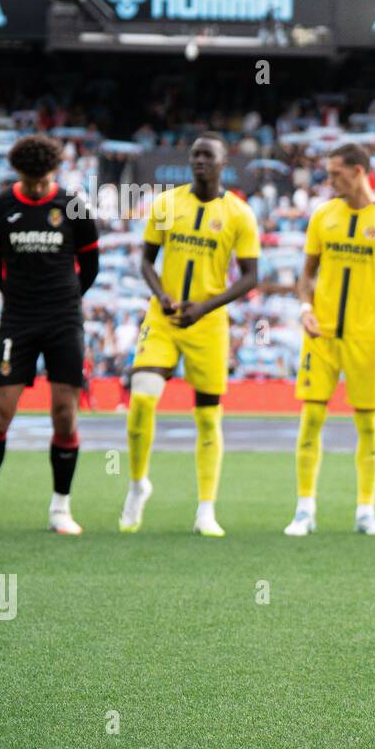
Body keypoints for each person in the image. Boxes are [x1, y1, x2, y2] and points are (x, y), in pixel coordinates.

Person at [0, 134, 100, 535]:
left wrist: (65, 301)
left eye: (43, 180)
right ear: (18, 174)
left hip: (64, 322)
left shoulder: (73, 206)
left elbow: (90, 267)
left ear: (54, 172)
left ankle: (60, 509)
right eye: (30, 180)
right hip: (17, 321)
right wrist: (19, 298)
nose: (37, 187)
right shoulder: (0, 207)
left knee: (65, 416)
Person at [119, 133, 260, 537]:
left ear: (223, 162)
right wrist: (161, 294)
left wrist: (205, 307)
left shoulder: (239, 214)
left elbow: (251, 276)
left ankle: (205, 510)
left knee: (207, 417)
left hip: (209, 324)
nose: (199, 161)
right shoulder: (166, 204)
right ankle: (137, 485)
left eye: (207, 156)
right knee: (143, 396)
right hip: (163, 318)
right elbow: (146, 260)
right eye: (195, 155)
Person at [283, 143, 375, 537]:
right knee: (310, 419)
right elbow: (306, 274)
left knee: (370, 425)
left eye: (336, 173)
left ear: (359, 171)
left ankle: (366, 512)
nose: (329, 180)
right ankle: (305, 510)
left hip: (367, 337)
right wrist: (305, 309)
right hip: (321, 335)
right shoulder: (323, 216)